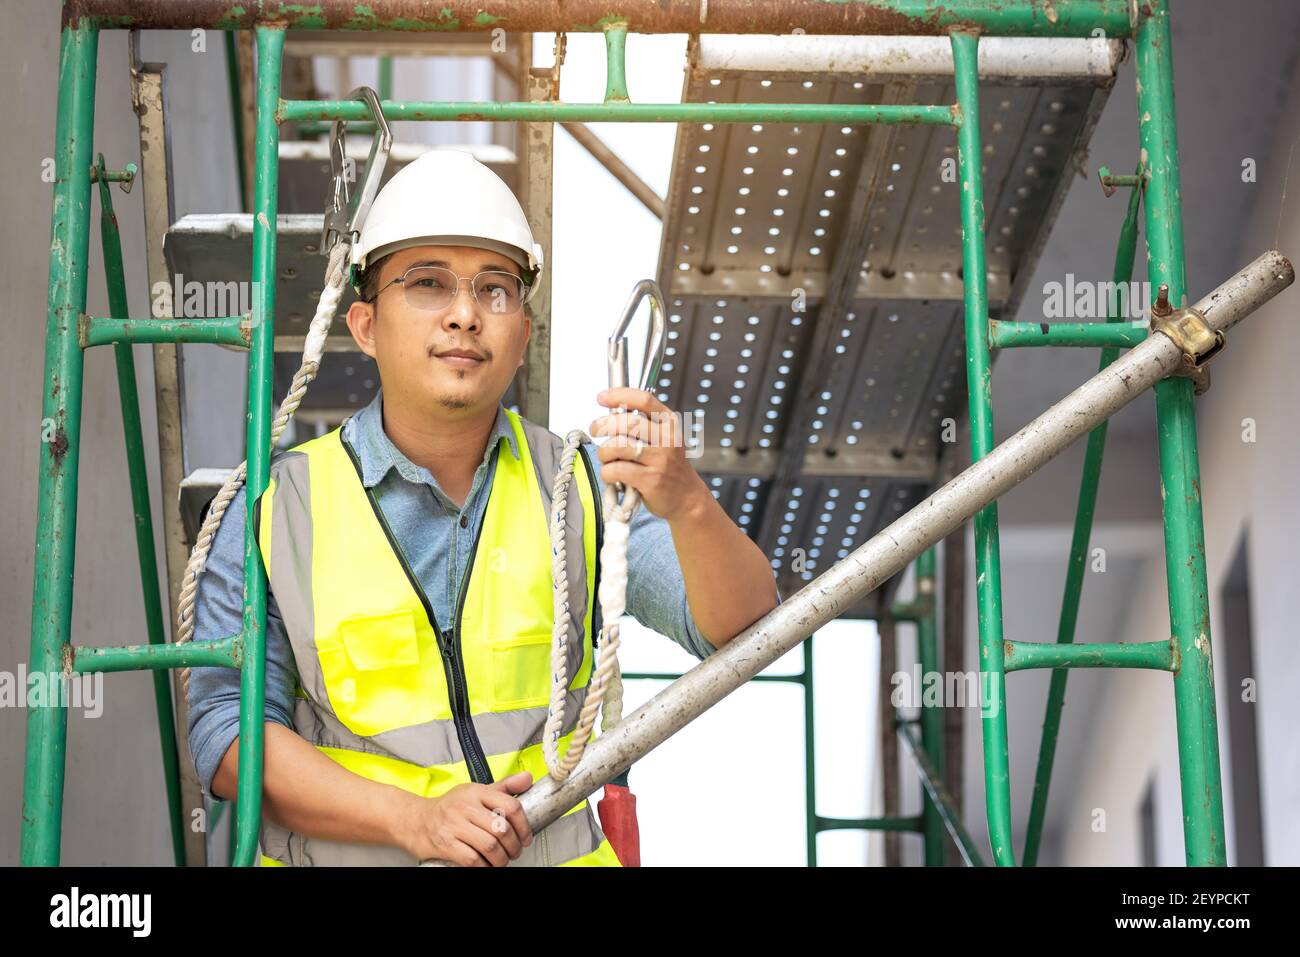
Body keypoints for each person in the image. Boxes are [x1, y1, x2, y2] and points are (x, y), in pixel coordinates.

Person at [186, 148, 780, 867]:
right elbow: (227, 740)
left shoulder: (580, 487)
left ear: (523, 335)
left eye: (496, 290)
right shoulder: (278, 509)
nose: (466, 314)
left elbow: (740, 632)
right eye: (428, 283)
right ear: (367, 326)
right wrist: (415, 821)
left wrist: (688, 502)